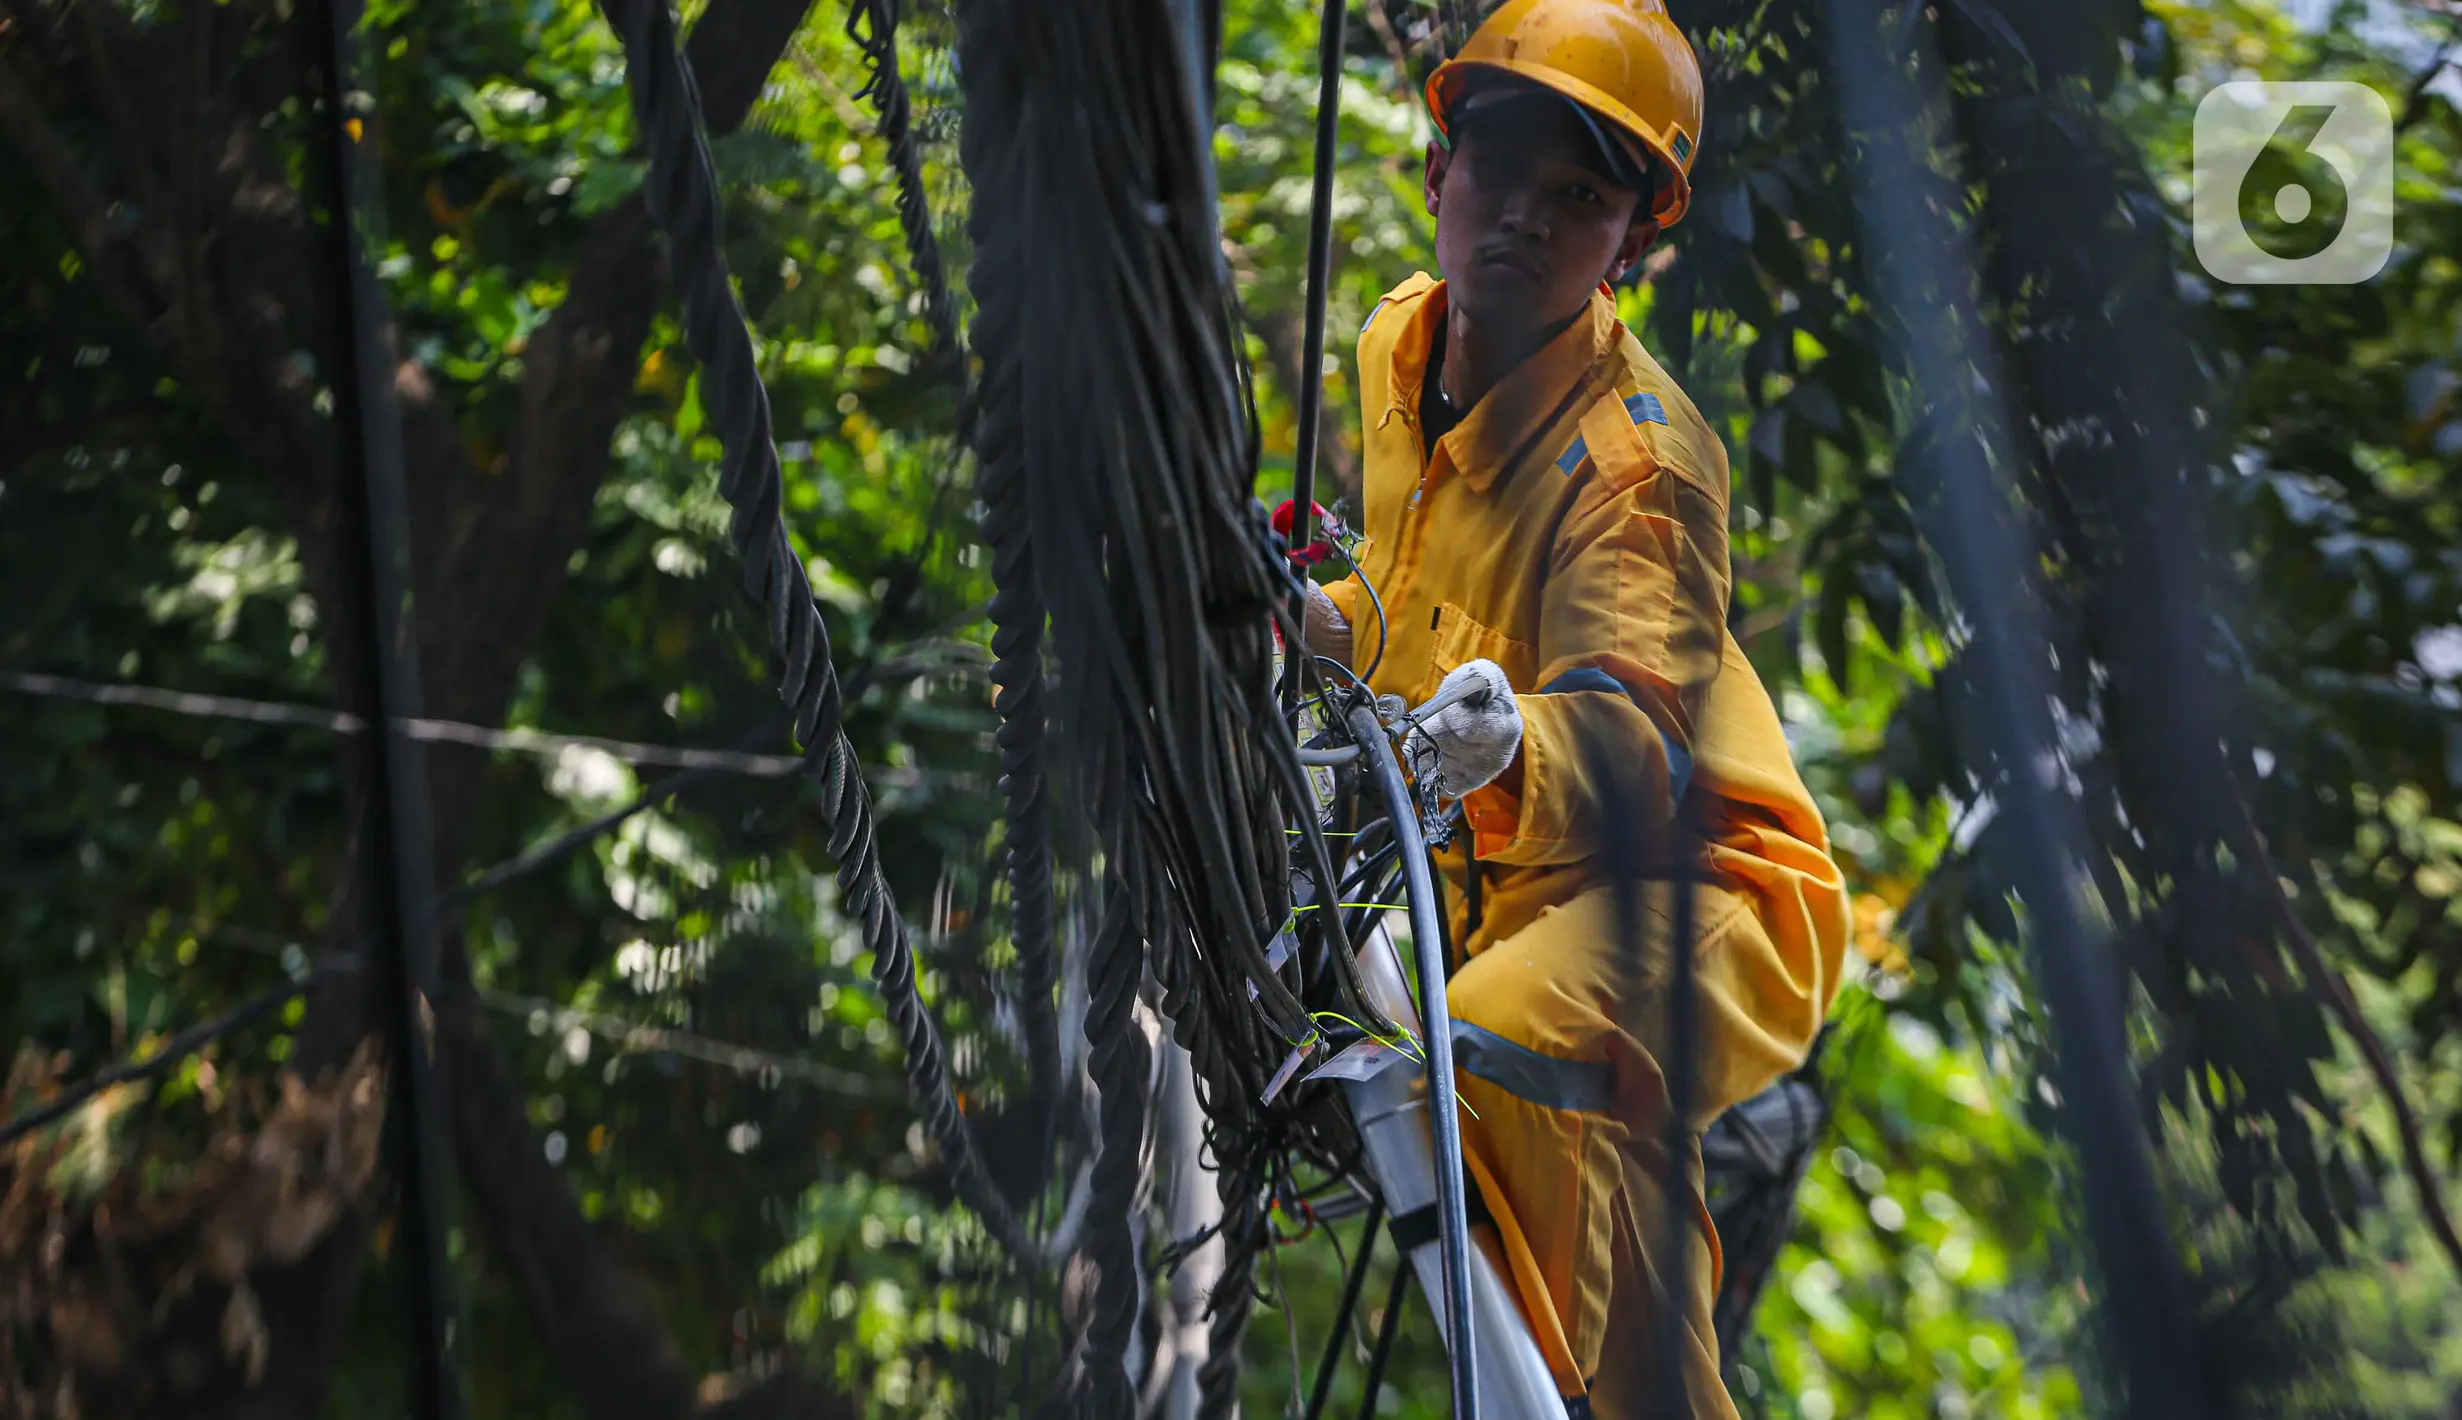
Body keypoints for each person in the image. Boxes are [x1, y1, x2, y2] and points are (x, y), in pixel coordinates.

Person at [1298, 1, 1851, 1414]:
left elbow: (1619, 740)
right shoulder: (1394, 351)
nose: (1526, 219)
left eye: (1582, 197)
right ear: (1437, 172)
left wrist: (1508, 739)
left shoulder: (1639, 466)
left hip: (1706, 890)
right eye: (1503, 168)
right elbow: (1414, 602)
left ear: (1631, 247)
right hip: (1531, 885)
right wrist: (1307, 624)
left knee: (1473, 1037)